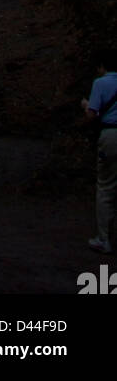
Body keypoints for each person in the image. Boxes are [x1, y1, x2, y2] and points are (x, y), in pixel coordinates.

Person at [81, 47, 117, 253]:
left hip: (110, 135)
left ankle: (104, 238)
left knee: (105, 186)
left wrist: (86, 105)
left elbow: (92, 115)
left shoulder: (101, 83)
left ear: (103, 66)